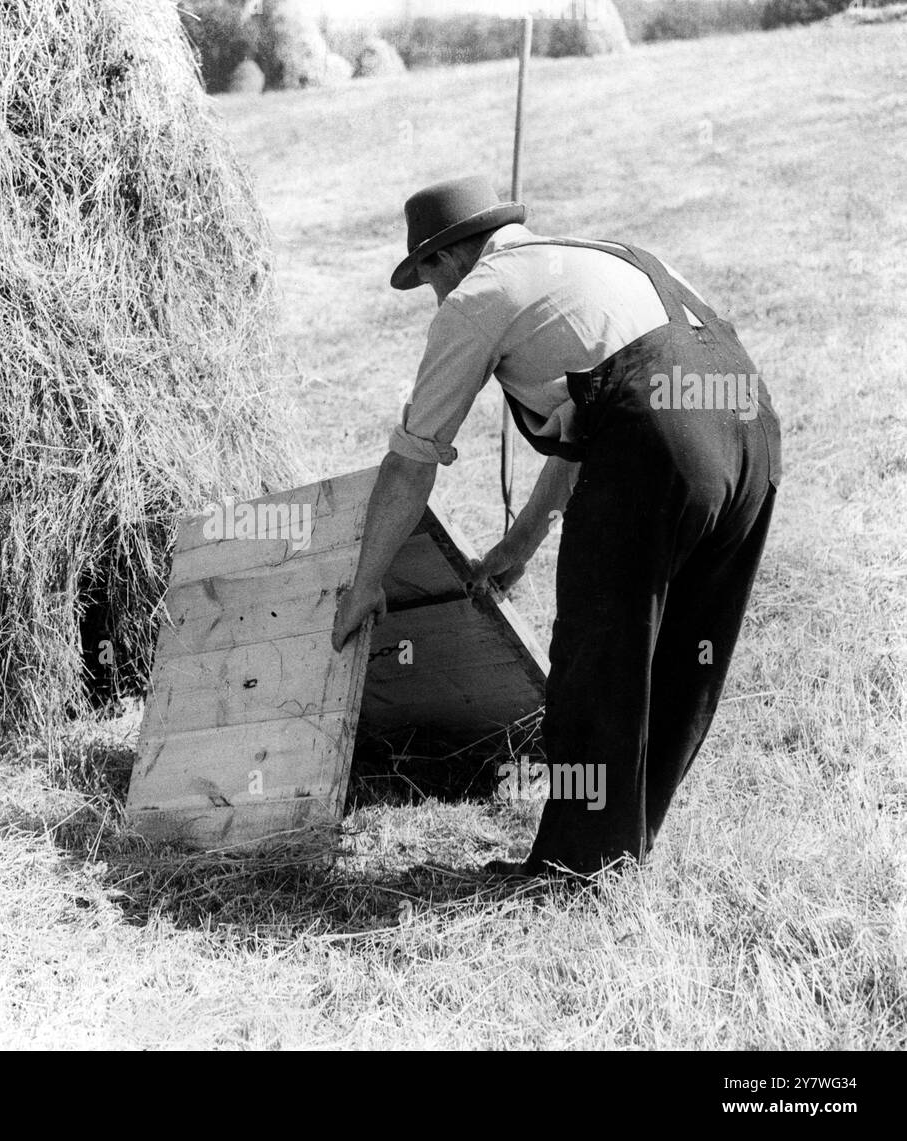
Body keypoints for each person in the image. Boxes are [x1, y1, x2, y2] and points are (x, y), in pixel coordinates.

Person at [330, 175, 782, 879]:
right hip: (749, 422)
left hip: (659, 431)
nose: (436, 297)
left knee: (596, 660)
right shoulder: (599, 257)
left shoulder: (478, 295)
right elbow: (605, 411)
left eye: (427, 281)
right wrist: (522, 541)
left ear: (441, 261)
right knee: (686, 654)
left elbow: (412, 462)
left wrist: (363, 584)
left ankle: (575, 869)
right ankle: (621, 855)